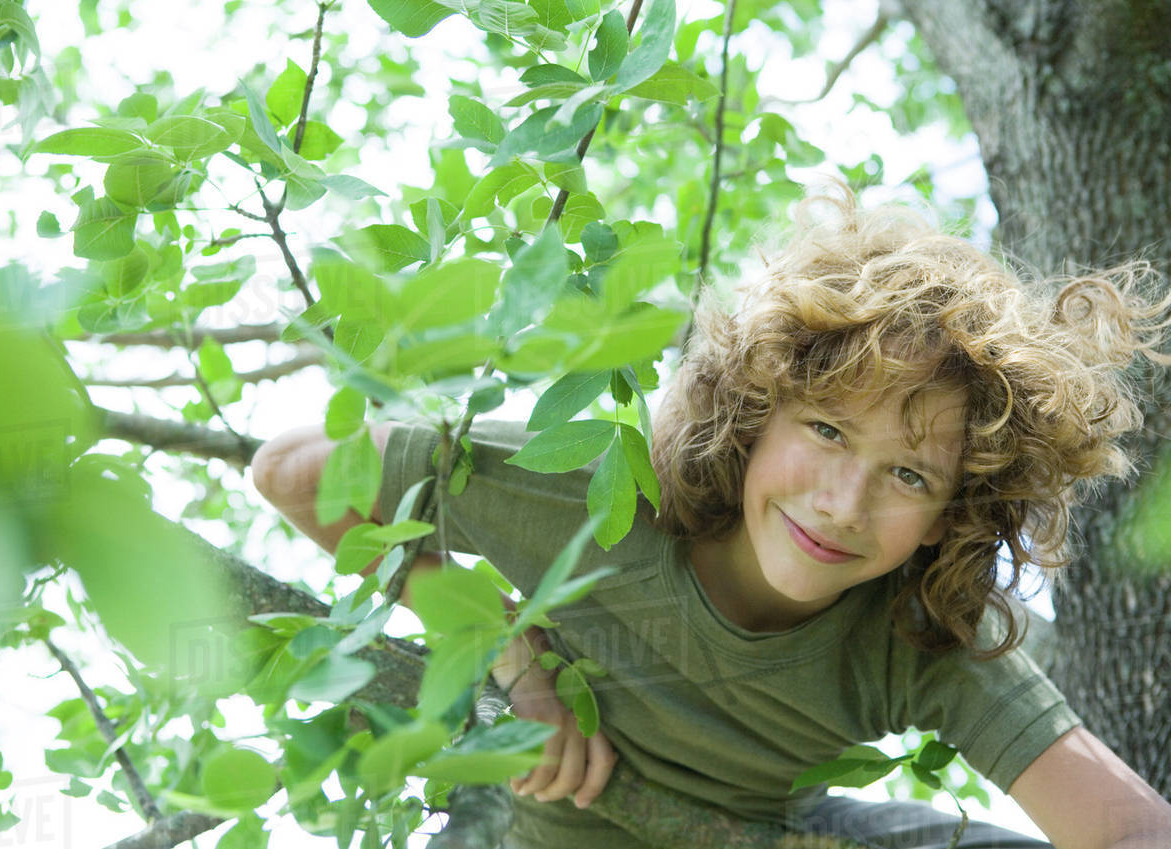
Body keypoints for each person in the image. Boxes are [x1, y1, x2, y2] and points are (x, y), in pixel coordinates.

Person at [251, 189, 1171, 849]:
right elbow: (292, 471)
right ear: (754, 407)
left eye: (907, 473)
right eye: (825, 428)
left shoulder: (913, 631)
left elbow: (1129, 825)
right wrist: (504, 650)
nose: (842, 503)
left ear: (944, 517)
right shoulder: (602, 502)